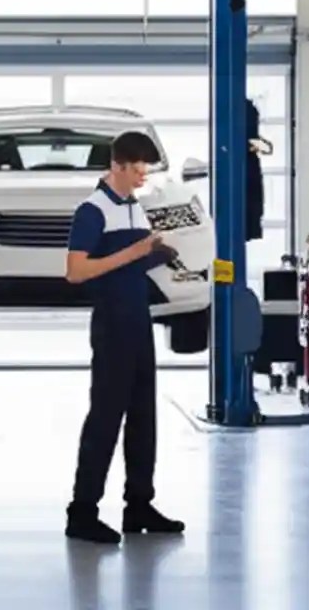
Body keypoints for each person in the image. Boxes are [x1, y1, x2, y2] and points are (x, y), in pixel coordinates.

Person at [63, 131, 185, 544]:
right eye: (135, 169)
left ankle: (139, 506)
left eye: (145, 170)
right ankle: (82, 511)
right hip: (112, 324)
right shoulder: (92, 211)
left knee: (143, 417)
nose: (141, 177)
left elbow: (130, 265)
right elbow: (76, 272)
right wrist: (132, 255)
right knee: (106, 417)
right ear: (116, 166)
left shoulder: (135, 208)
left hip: (139, 321)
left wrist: (155, 254)